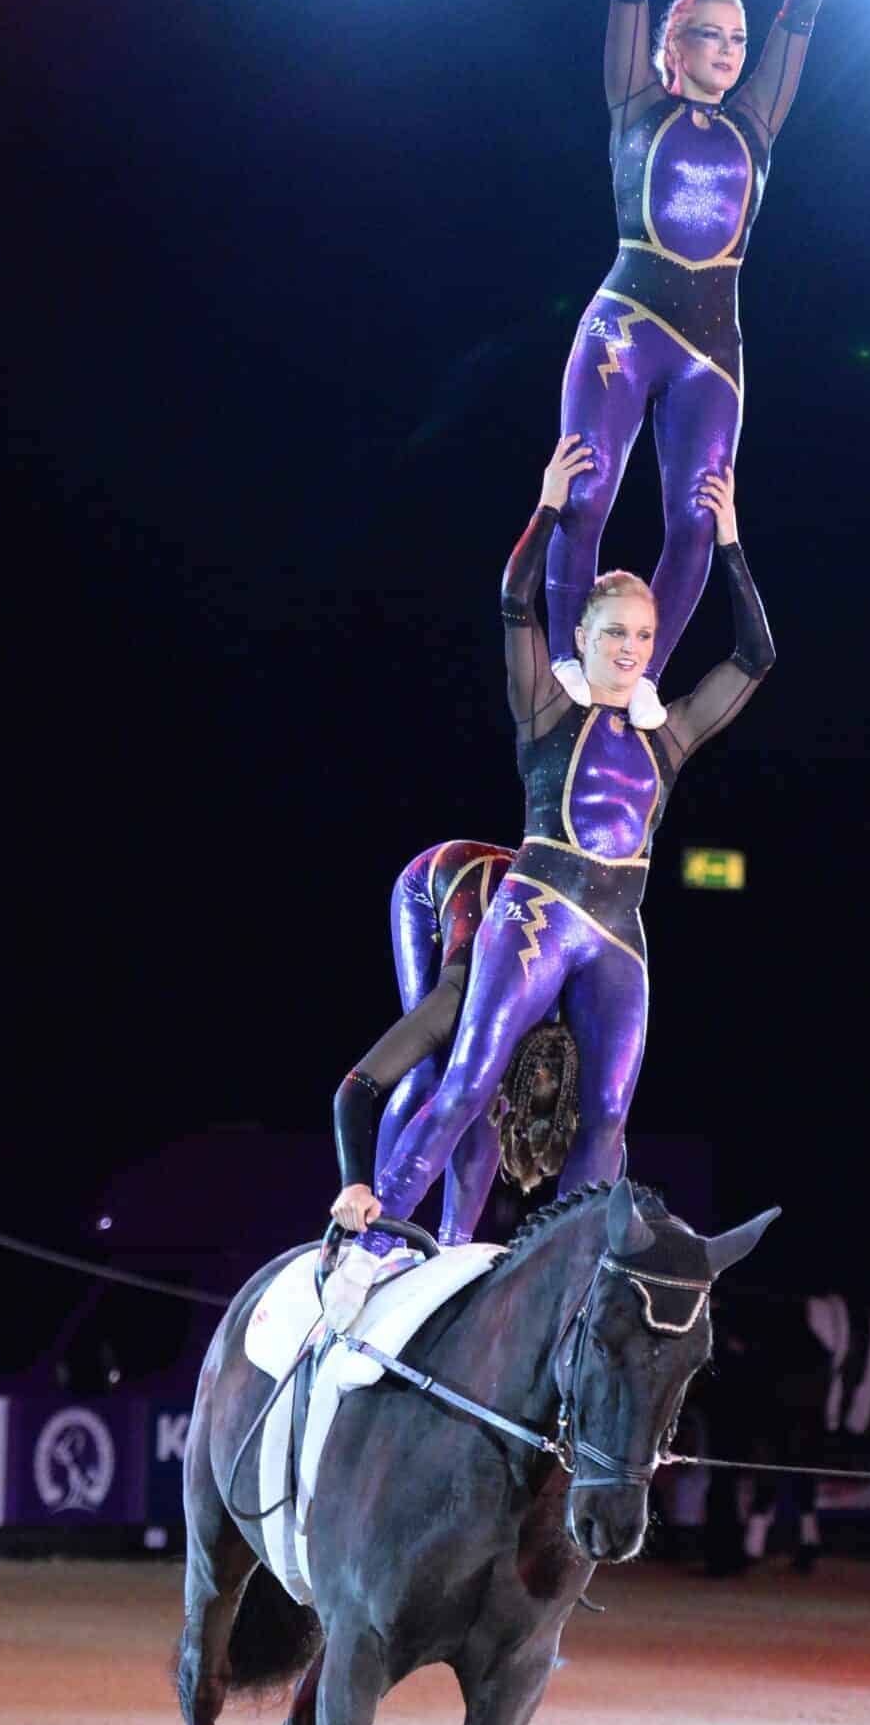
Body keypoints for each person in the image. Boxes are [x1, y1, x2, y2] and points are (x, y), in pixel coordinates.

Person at [334, 431, 774, 1247]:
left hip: (619, 933)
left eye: (642, 638)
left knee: (607, 1117)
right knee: (468, 1084)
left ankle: (564, 1279)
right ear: (587, 637)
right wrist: (544, 504)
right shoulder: (547, 710)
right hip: (536, 909)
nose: (631, 651)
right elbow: (513, 600)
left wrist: (731, 543)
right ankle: (374, 1247)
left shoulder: (666, 736)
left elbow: (756, 656)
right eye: (615, 634)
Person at [546, 0, 870, 718]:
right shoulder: (634, 105)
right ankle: (576, 657)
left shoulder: (758, 121)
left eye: (737, 38)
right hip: (626, 323)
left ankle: (642, 680)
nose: (731, 50)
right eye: (710, 34)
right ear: (672, 46)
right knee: (590, 484)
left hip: (713, 349)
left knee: (701, 516)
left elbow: (800, 15)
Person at [329, 842, 581, 1248]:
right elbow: (355, 1089)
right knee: (432, 1070)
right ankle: (378, 1234)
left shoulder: (566, 1042)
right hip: (433, 882)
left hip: (521, 904)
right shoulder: (455, 999)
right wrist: (354, 1185)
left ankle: (454, 1242)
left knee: (479, 1093)